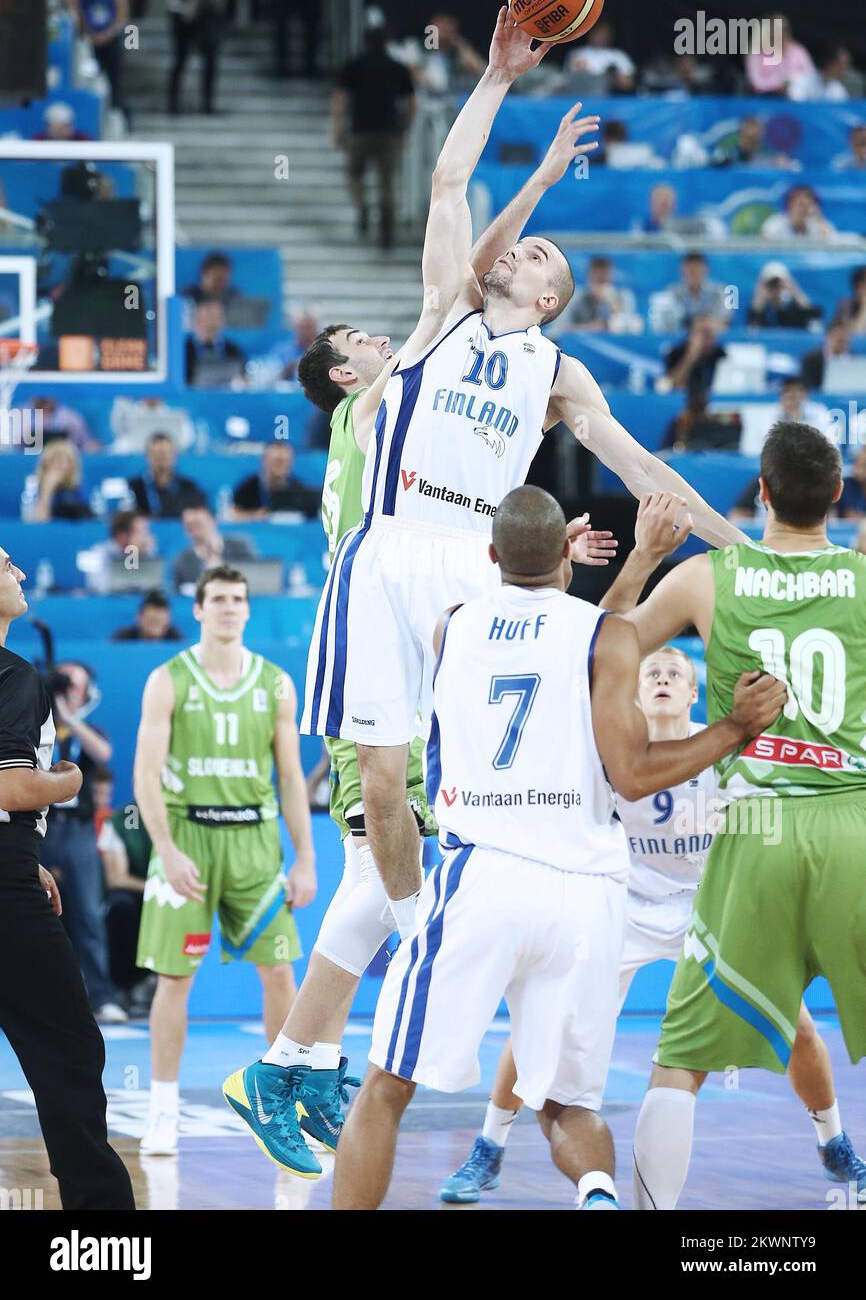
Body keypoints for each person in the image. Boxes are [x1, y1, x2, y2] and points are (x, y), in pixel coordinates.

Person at [223, 10, 744, 1179]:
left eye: (543, 250)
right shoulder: (437, 321)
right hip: (392, 548)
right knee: (376, 779)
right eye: (522, 242)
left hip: (480, 574)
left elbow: (641, 470)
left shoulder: (557, 371)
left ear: (553, 294)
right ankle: (416, 958)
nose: (525, 248)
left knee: (461, 795)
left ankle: (397, 1003)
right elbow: (453, 175)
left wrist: (740, 545)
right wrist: (497, 78)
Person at [329, 486, 783, 1210]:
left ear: (490, 557)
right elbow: (628, 762)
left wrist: (586, 562)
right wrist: (732, 728)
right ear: (565, 564)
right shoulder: (603, 638)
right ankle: (598, 1193)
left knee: (385, 1087)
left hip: (484, 879)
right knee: (569, 1105)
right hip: (587, 892)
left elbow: (554, 619)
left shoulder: (452, 627)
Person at [443, 536, 864, 1204]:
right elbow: (587, 654)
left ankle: (833, 1139)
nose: (663, 678)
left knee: (798, 1027)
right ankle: (488, 1146)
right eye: (651, 674)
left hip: (707, 903)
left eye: (675, 674)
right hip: (627, 903)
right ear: (634, 688)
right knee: (544, 1027)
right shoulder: (613, 739)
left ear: (695, 690)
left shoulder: (736, 745)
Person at [594, 423, 866, 1210]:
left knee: (680, 1061)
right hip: (852, 815)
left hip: (754, 823)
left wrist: (643, 559)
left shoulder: (709, 578)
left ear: (763, 492)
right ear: (838, 496)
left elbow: (605, 650)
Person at [133, 565, 316, 1156]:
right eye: (218, 599)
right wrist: (164, 849)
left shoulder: (275, 684)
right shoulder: (168, 679)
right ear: (198, 608)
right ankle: (163, 1109)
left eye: (239, 599)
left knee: (281, 974)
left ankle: (277, 1106)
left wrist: (305, 858)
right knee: (174, 980)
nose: (230, 608)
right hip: (188, 839)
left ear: (247, 608)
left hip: (255, 846)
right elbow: (144, 774)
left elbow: (290, 777)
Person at [0, 543, 134, 1209]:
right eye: (3, 564)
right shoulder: (15, 675)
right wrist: (70, 780)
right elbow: (15, 788)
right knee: (70, 1056)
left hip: (17, 869)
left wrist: (29, 856)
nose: (21, 572)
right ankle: (104, 1231)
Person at [41, 661, 127, 1022]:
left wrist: (69, 716)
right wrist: (48, 707)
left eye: (75, 686)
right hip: (41, 824)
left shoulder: (87, 730)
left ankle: (100, 995)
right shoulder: (37, 724)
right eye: (65, 684)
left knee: (88, 913)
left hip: (77, 830)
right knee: (32, 911)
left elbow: (103, 754)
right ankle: (36, 996)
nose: (69, 691)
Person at [333, 27, 416, 250]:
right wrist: (404, 130)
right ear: (387, 43)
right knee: (387, 184)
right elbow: (411, 103)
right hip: (388, 133)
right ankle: (387, 234)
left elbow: (340, 98)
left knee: (353, 173)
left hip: (359, 131)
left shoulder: (354, 65)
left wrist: (337, 129)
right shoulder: (397, 68)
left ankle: (361, 205)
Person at [97, 801, 154, 1015]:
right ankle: (127, 984)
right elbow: (116, 878)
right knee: (120, 906)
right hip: (138, 896)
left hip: (176, 893)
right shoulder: (123, 821)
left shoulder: (184, 814)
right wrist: (155, 888)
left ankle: (158, 981)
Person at [63, 0, 129, 119]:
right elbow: (72, 8)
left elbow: (122, 10)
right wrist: (89, 34)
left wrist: (109, 33)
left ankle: (118, 117)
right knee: (88, 81)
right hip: (86, 40)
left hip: (110, 38)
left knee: (115, 80)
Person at [739, 377, 835, 458]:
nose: (793, 396)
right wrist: (791, 418)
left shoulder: (819, 412)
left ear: (806, 394)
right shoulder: (768, 414)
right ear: (781, 395)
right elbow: (768, 443)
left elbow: (829, 444)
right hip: (776, 465)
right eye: (788, 391)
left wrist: (797, 418)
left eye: (799, 391)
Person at [173, 503, 257, 592]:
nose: (194, 530)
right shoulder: (183, 560)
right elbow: (178, 592)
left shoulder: (240, 546)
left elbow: (254, 576)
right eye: (189, 526)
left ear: (212, 521)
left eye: (198, 524)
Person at [230, 441, 319, 520]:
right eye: (277, 461)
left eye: (286, 461)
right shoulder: (248, 487)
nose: (281, 467)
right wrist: (254, 516)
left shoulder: (299, 489)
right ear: (264, 459)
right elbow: (232, 514)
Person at [128, 432, 207, 519]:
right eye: (156, 454)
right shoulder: (134, 487)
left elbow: (202, 517)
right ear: (147, 456)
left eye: (165, 454)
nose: (161, 458)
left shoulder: (189, 488)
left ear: (175, 456)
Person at [83, 510, 158, 596]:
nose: (145, 538)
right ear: (122, 535)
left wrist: (144, 556)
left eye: (146, 532)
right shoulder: (96, 552)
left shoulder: (145, 553)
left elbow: (153, 587)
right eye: (140, 533)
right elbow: (96, 586)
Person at [651, 254, 728, 336]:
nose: (694, 273)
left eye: (697, 269)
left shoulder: (720, 291)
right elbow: (667, 326)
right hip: (681, 340)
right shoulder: (672, 292)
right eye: (690, 270)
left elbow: (724, 322)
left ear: (706, 269)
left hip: (712, 338)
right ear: (682, 270)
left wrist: (699, 325)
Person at [565, 255, 641, 333]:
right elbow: (562, 329)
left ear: (611, 275)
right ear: (588, 276)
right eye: (596, 274)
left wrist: (614, 304)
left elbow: (630, 329)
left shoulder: (624, 296)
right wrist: (596, 326)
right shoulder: (576, 296)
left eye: (604, 275)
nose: (600, 278)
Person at [657, 315, 726, 398]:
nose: (706, 338)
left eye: (709, 333)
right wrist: (691, 356)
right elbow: (672, 384)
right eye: (701, 333)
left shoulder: (721, 354)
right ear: (690, 335)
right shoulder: (676, 353)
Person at [745, 14, 814, 96]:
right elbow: (756, 83)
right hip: (764, 101)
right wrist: (779, 84)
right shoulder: (756, 53)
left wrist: (793, 82)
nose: (782, 34)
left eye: (785, 30)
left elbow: (812, 77)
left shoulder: (798, 51)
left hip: (797, 102)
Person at [26, 439, 94, 522]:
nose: (64, 467)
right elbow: (39, 522)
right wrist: (46, 491)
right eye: (58, 462)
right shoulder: (36, 488)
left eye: (68, 462)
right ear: (46, 465)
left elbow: (87, 520)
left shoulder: (79, 487)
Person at [184, 297, 246, 387]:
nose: (213, 321)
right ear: (196, 319)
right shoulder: (183, 351)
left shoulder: (233, 350)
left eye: (218, 316)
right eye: (209, 315)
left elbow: (243, 378)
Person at [564, 21, 635, 94]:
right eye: (599, 32)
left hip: (611, 100)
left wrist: (615, 78)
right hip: (583, 97)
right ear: (591, 33)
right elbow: (567, 81)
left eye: (605, 33)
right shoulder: (578, 54)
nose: (603, 36)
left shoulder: (619, 55)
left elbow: (629, 84)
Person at [747, 261, 822, 330]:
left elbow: (814, 320)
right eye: (772, 285)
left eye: (779, 285)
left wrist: (795, 292)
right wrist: (759, 299)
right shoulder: (762, 311)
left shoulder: (795, 309)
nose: (776, 289)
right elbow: (752, 329)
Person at [711, 114, 795, 169]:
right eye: (750, 127)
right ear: (742, 128)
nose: (753, 132)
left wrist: (781, 162)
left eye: (758, 129)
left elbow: (776, 160)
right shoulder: (729, 142)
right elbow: (717, 159)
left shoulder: (764, 148)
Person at [761, 185, 840, 244]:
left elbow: (833, 244)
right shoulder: (775, 223)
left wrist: (819, 218)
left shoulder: (817, 224)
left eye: (808, 205)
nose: (804, 209)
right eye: (800, 204)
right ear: (789, 205)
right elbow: (764, 246)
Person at [800, 317, 853, 391]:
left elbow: (856, 391)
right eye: (840, 341)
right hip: (822, 400)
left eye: (846, 341)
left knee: (855, 401)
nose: (843, 345)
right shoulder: (811, 359)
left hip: (850, 400)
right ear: (829, 337)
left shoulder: (854, 359)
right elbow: (808, 388)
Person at [111, 590, 184, 642]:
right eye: (152, 621)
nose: (157, 616)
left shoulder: (176, 641)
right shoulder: (123, 640)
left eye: (160, 622)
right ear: (139, 617)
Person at [833, 266, 866, 334]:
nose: (860, 290)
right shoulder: (844, 305)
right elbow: (832, 332)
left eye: (863, 286)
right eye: (857, 286)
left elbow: (858, 332)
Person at [837, 446, 866, 519]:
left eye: (863, 466)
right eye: (856, 464)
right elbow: (849, 515)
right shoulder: (845, 484)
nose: (856, 470)